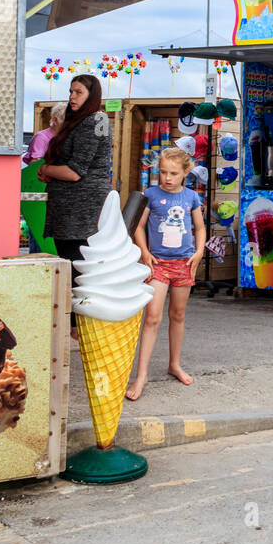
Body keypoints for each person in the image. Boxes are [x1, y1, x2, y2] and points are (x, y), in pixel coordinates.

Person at [128, 147, 205, 400]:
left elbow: (200, 227)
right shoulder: (150, 195)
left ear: (185, 173)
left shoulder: (191, 197)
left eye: (173, 173)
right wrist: (145, 252)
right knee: (152, 317)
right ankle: (141, 375)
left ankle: (174, 364)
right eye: (163, 172)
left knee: (178, 315)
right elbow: (138, 226)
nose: (167, 178)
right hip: (158, 263)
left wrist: (199, 251)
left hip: (184, 263)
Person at [37, 75, 112, 326]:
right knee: (71, 265)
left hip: (81, 211)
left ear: (92, 95)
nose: (72, 97)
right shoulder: (78, 121)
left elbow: (75, 171)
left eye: (78, 92)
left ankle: (79, 327)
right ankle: (75, 327)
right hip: (69, 210)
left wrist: (47, 170)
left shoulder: (95, 120)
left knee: (77, 270)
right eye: (71, 91)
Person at [23, 103, 65, 168]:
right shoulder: (41, 137)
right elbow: (34, 163)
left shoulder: (65, 137)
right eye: (67, 121)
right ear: (55, 120)